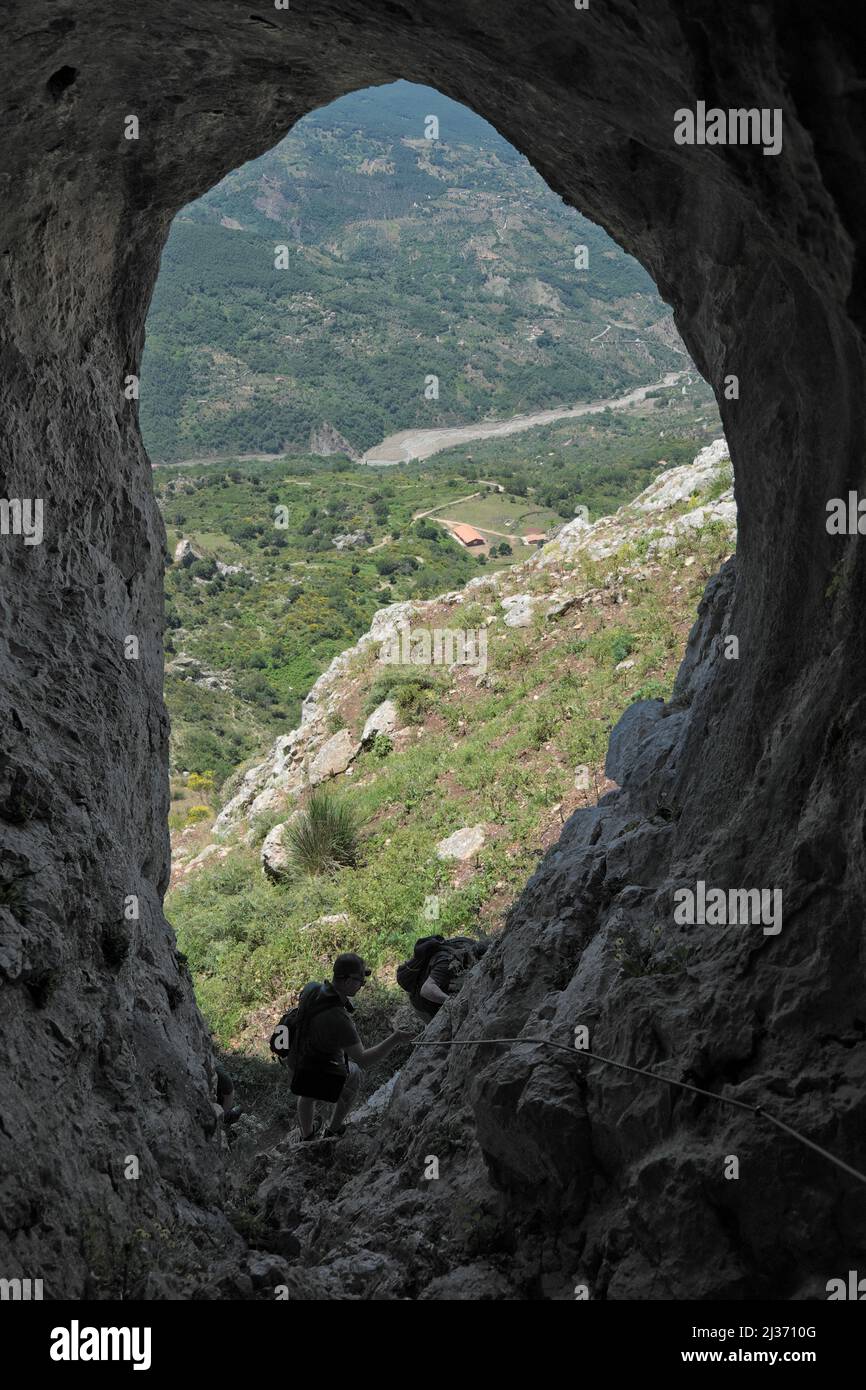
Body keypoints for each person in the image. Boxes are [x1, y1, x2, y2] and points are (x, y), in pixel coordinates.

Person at [288, 952, 413, 1142]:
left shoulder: (312, 989)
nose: (362, 985)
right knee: (354, 1074)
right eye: (360, 981)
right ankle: (334, 1129)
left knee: (307, 1095)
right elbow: (363, 1059)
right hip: (319, 1068)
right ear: (346, 980)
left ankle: (307, 1135)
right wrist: (395, 1038)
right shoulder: (339, 1018)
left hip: (300, 1060)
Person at [398, 935, 490, 1022]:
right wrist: (452, 1001)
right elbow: (426, 990)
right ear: (474, 957)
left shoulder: (467, 943)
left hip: (434, 985)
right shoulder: (447, 963)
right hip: (421, 1001)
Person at [214, 1061, 242, 1127]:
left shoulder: (220, 1074)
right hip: (218, 1092)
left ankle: (231, 1114)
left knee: (226, 1114)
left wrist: (224, 1114)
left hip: (223, 1095)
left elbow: (229, 1089)